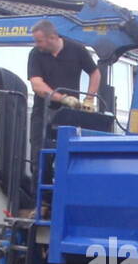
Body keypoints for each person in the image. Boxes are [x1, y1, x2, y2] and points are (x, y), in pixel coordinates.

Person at [26, 20, 101, 194]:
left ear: (52, 37)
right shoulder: (36, 54)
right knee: (40, 157)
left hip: (68, 116)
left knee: (69, 157)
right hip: (43, 113)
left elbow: (95, 72)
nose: (37, 45)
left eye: (39, 41)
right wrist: (63, 98)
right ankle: (43, 204)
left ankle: (68, 196)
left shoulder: (77, 50)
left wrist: (89, 99)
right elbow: (37, 85)